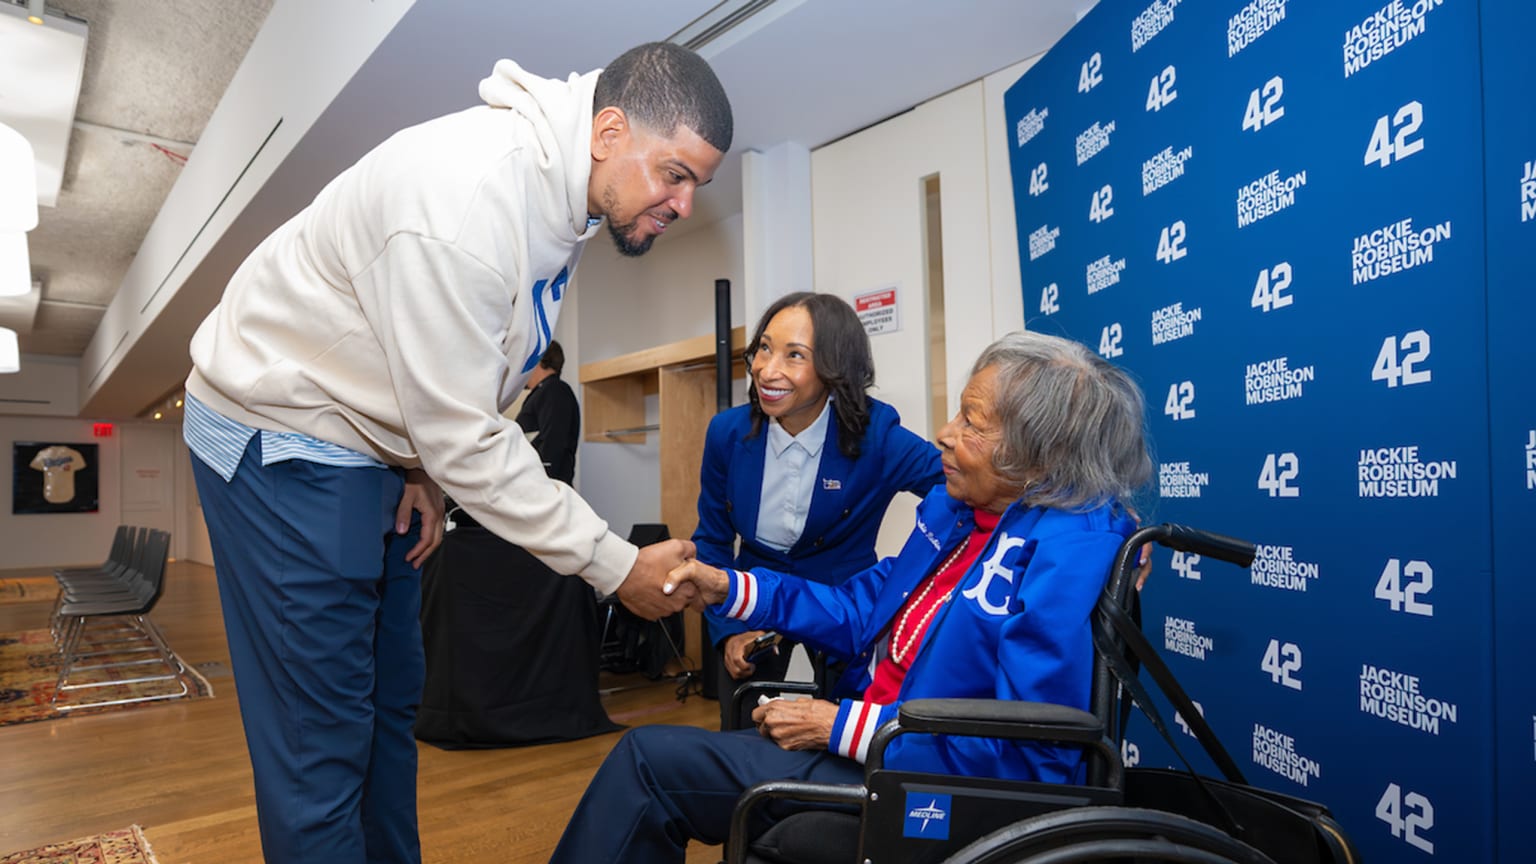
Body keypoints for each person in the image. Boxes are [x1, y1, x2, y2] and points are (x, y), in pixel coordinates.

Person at [182, 43, 730, 864]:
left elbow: (456, 374)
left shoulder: (565, 194)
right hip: (278, 438)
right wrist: (616, 565)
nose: (683, 204)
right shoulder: (468, 201)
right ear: (610, 131)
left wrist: (416, 470)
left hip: (366, 446)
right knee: (320, 746)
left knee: (389, 708)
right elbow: (469, 434)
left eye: (697, 186)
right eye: (675, 175)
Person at [549, 331, 1153, 863]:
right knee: (654, 757)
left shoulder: (1069, 547)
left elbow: (1032, 752)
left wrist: (846, 727)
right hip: (876, 745)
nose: (944, 434)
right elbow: (860, 606)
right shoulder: (954, 510)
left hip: (917, 776)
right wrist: (726, 585)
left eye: (971, 422)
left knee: (647, 762)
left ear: (1041, 454)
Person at [693, 292, 942, 726]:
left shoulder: (876, 435)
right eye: (764, 349)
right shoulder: (726, 434)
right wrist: (729, 630)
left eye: (795, 356)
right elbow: (712, 541)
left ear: (833, 369)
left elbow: (956, 485)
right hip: (752, 606)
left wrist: (912, 572)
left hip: (842, 610)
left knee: (842, 746)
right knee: (741, 741)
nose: (768, 371)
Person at [516, 340, 581, 484]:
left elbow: (553, 441)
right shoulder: (543, 391)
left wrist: (542, 482)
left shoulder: (554, 391)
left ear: (538, 359)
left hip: (545, 486)